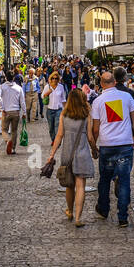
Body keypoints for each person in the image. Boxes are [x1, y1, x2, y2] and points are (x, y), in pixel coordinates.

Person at [90, 70, 134, 226]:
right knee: (124, 181)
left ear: (101, 84)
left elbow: (96, 129)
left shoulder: (98, 101)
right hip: (125, 144)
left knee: (104, 180)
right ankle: (123, 217)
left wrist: (94, 146)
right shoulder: (126, 97)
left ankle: (104, 209)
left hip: (107, 145)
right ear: (114, 81)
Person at [46, 88, 95, 226]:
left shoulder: (64, 115)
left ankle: (70, 211)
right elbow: (90, 137)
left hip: (67, 154)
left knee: (69, 185)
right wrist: (95, 150)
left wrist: (52, 154)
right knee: (80, 186)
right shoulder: (86, 116)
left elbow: (59, 136)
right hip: (83, 154)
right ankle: (78, 218)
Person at [0, 70, 25, 155]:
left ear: (5, 77)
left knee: (4, 129)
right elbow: (22, 101)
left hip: (6, 112)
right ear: (14, 78)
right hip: (16, 111)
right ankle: (13, 148)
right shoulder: (19, 88)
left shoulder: (1, 87)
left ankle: (8, 140)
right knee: (14, 131)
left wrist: (2, 108)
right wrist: (24, 113)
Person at [44, 71, 66, 144]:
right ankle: (53, 139)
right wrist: (48, 92)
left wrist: (66, 109)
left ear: (58, 79)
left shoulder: (61, 87)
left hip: (58, 110)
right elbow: (42, 96)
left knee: (57, 126)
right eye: (53, 78)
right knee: (51, 128)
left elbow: (63, 99)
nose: (54, 80)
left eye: (56, 78)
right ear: (50, 78)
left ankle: (57, 141)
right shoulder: (47, 86)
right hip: (50, 110)